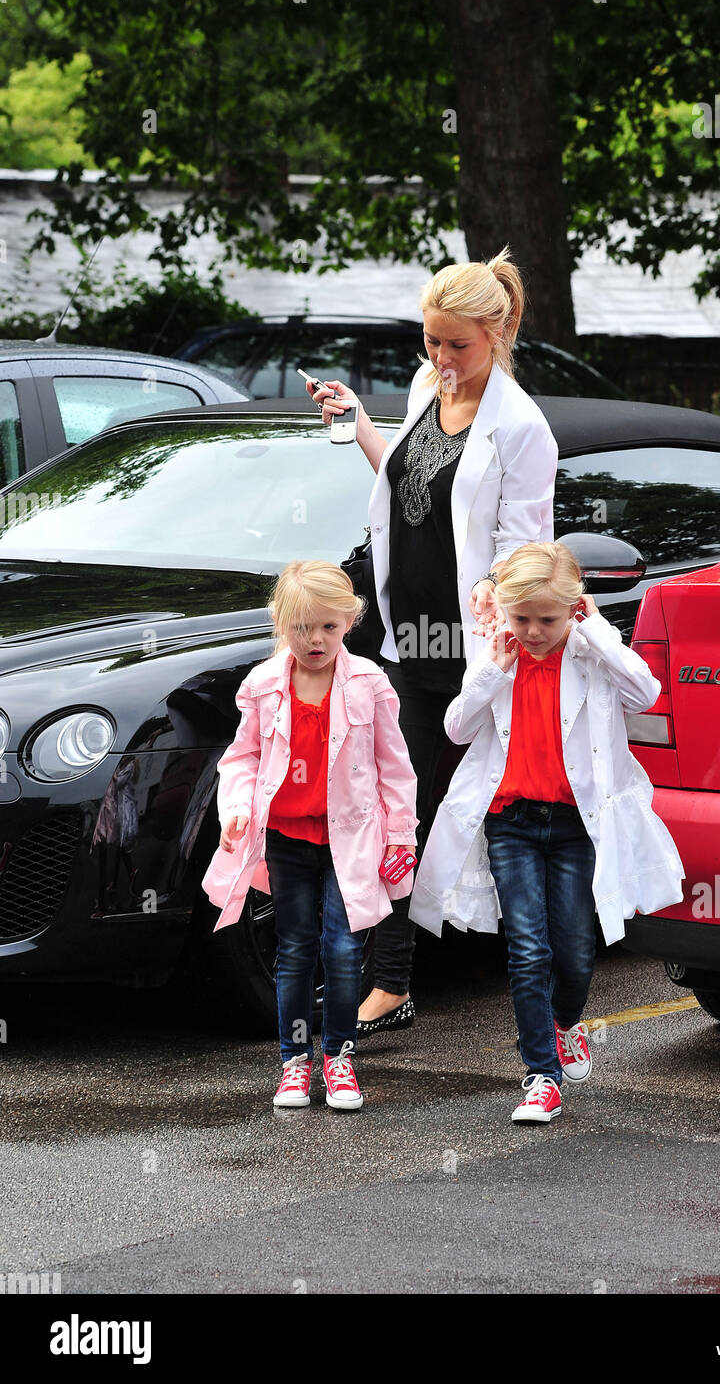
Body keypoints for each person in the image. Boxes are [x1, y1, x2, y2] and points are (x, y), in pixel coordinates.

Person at [304, 247, 559, 1036]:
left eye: (457, 344)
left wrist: (496, 602)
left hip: (474, 656)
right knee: (399, 811)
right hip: (409, 645)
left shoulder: (522, 429)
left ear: (499, 329)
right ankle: (390, 984)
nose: (441, 359)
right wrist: (358, 429)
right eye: (431, 341)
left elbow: (525, 556)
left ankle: (546, 1004)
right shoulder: (425, 389)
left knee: (497, 820)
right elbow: (412, 486)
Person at [408, 542, 685, 1123]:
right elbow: (457, 729)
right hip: (510, 822)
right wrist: (491, 671)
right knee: (528, 947)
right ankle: (540, 1074)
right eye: (521, 619)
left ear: (573, 610)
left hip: (574, 825)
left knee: (576, 952)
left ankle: (565, 1024)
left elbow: (647, 694)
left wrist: (599, 629)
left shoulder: (591, 655)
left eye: (548, 619)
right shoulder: (495, 655)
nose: (533, 632)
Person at [201, 561, 418, 1111]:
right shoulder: (263, 685)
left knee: (344, 950)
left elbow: (395, 769)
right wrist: (236, 809)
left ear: (349, 620)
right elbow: (242, 757)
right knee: (295, 949)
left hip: (351, 842)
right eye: (301, 628)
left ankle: (338, 1057)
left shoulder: (369, 682)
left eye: (327, 626)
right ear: (282, 625)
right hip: (288, 840)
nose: (314, 640)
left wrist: (399, 837)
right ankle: (294, 1061)